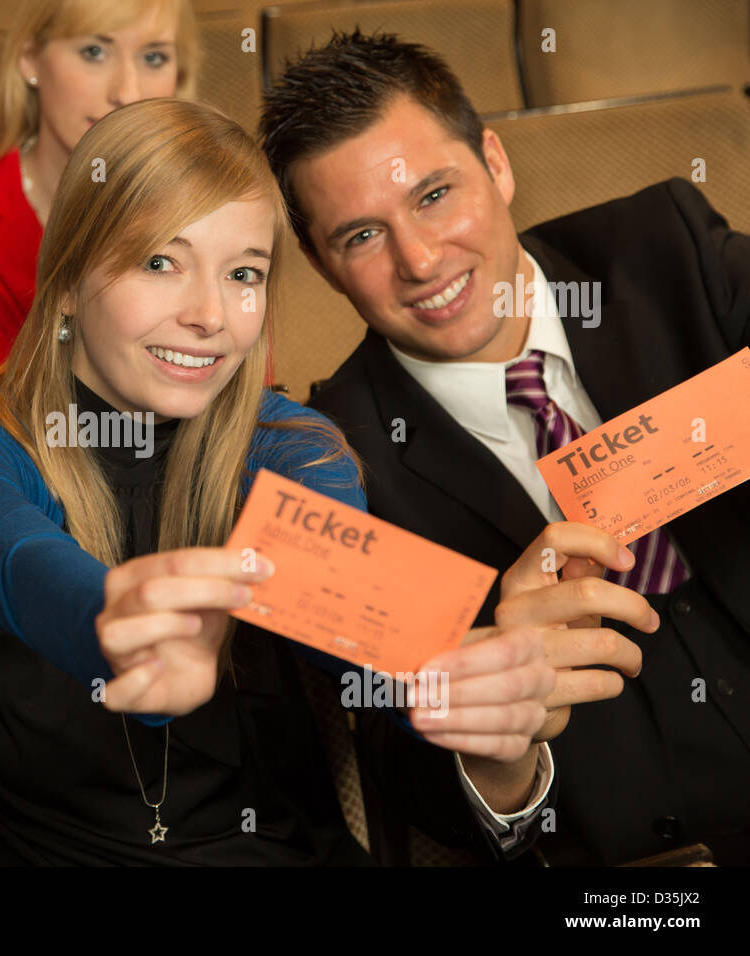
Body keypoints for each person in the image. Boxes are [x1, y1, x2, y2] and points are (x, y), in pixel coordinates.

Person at [0, 97, 656, 865]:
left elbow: (353, 618)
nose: (209, 314)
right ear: (65, 278)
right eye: (161, 262)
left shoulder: (290, 446)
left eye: (243, 273)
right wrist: (124, 627)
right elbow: (23, 566)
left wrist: (462, 660)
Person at [260, 30, 750, 865]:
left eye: (434, 194)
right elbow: (411, 795)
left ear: (495, 161)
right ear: (317, 261)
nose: (420, 260)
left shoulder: (667, 246)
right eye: (361, 237)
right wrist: (498, 738)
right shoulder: (319, 471)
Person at [0, 0, 200, 421]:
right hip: (5, 467)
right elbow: (12, 413)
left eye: (154, 57)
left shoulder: (209, 208)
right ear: (31, 59)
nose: (127, 92)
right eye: (94, 51)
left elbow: (244, 397)